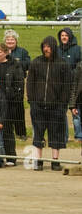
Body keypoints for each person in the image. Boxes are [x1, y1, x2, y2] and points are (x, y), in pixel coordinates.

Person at [25, 35, 69, 171]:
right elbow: (30, 83)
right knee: (38, 133)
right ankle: (38, 161)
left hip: (56, 107)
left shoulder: (63, 64)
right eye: (44, 46)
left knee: (56, 133)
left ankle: (55, 161)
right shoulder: (36, 62)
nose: (46, 49)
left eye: (49, 46)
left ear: (54, 47)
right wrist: (32, 101)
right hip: (38, 106)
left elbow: (67, 86)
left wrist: (62, 104)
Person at [0, 41, 23, 165]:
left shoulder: (14, 66)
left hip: (8, 102)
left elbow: (18, 84)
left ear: (6, 53)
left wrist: (14, 97)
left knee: (7, 130)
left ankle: (11, 157)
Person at [59, 28, 82, 138]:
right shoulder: (57, 50)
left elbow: (79, 66)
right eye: (62, 35)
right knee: (61, 111)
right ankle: (64, 136)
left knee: (75, 111)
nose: (64, 37)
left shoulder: (77, 49)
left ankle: (78, 136)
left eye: (66, 35)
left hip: (74, 84)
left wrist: (70, 73)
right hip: (61, 86)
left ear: (70, 37)